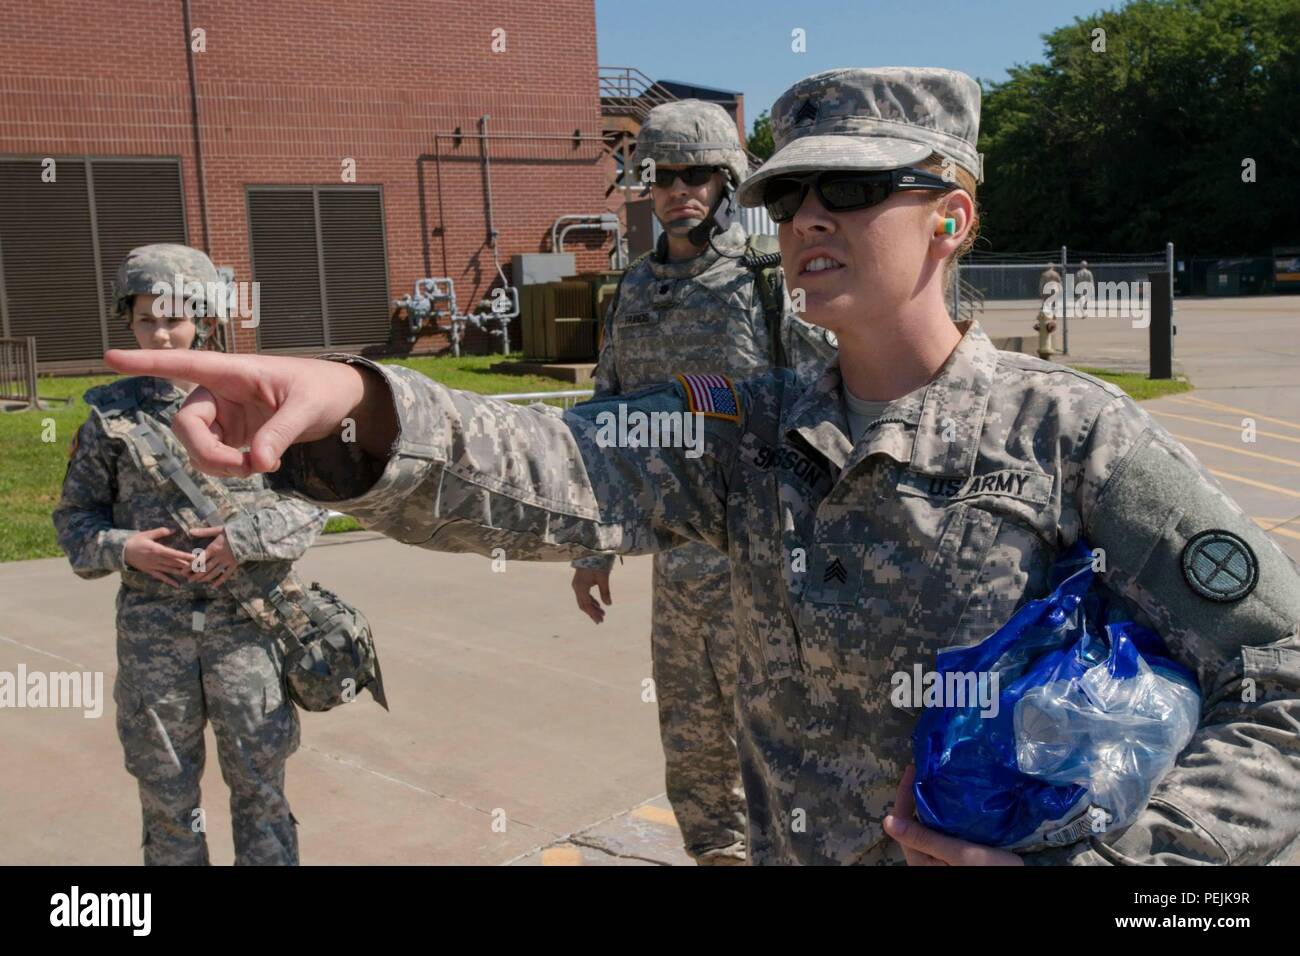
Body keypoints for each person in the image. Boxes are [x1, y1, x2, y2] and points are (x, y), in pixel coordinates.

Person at [106, 69, 1300, 866]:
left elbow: (1280, 688)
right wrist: (361, 405)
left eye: (854, 188)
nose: (807, 219)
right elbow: (556, 456)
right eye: (788, 194)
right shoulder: (741, 425)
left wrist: (1115, 865)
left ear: (953, 218)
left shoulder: (1074, 439)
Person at [570, 99, 836, 865]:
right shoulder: (629, 291)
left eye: (697, 175)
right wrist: (593, 547)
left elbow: (822, 406)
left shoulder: (761, 282)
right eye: (663, 176)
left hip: (763, 558)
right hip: (677, 559)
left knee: (775, 734)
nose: (679, 190)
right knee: (689, 736)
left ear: (728, 182)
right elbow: (603, 421)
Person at [54, 244, 328, 865]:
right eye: (146, 318)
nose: (161, 331)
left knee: (260, 790)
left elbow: (311, 504)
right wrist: (124, 548)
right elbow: (74, 521)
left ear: (202, 318)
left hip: (246, 629)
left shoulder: (258, 397)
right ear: (128, 321)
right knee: (166, 798)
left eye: (174, 317)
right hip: (155, 636)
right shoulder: (109, 415)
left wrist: (245, 539)